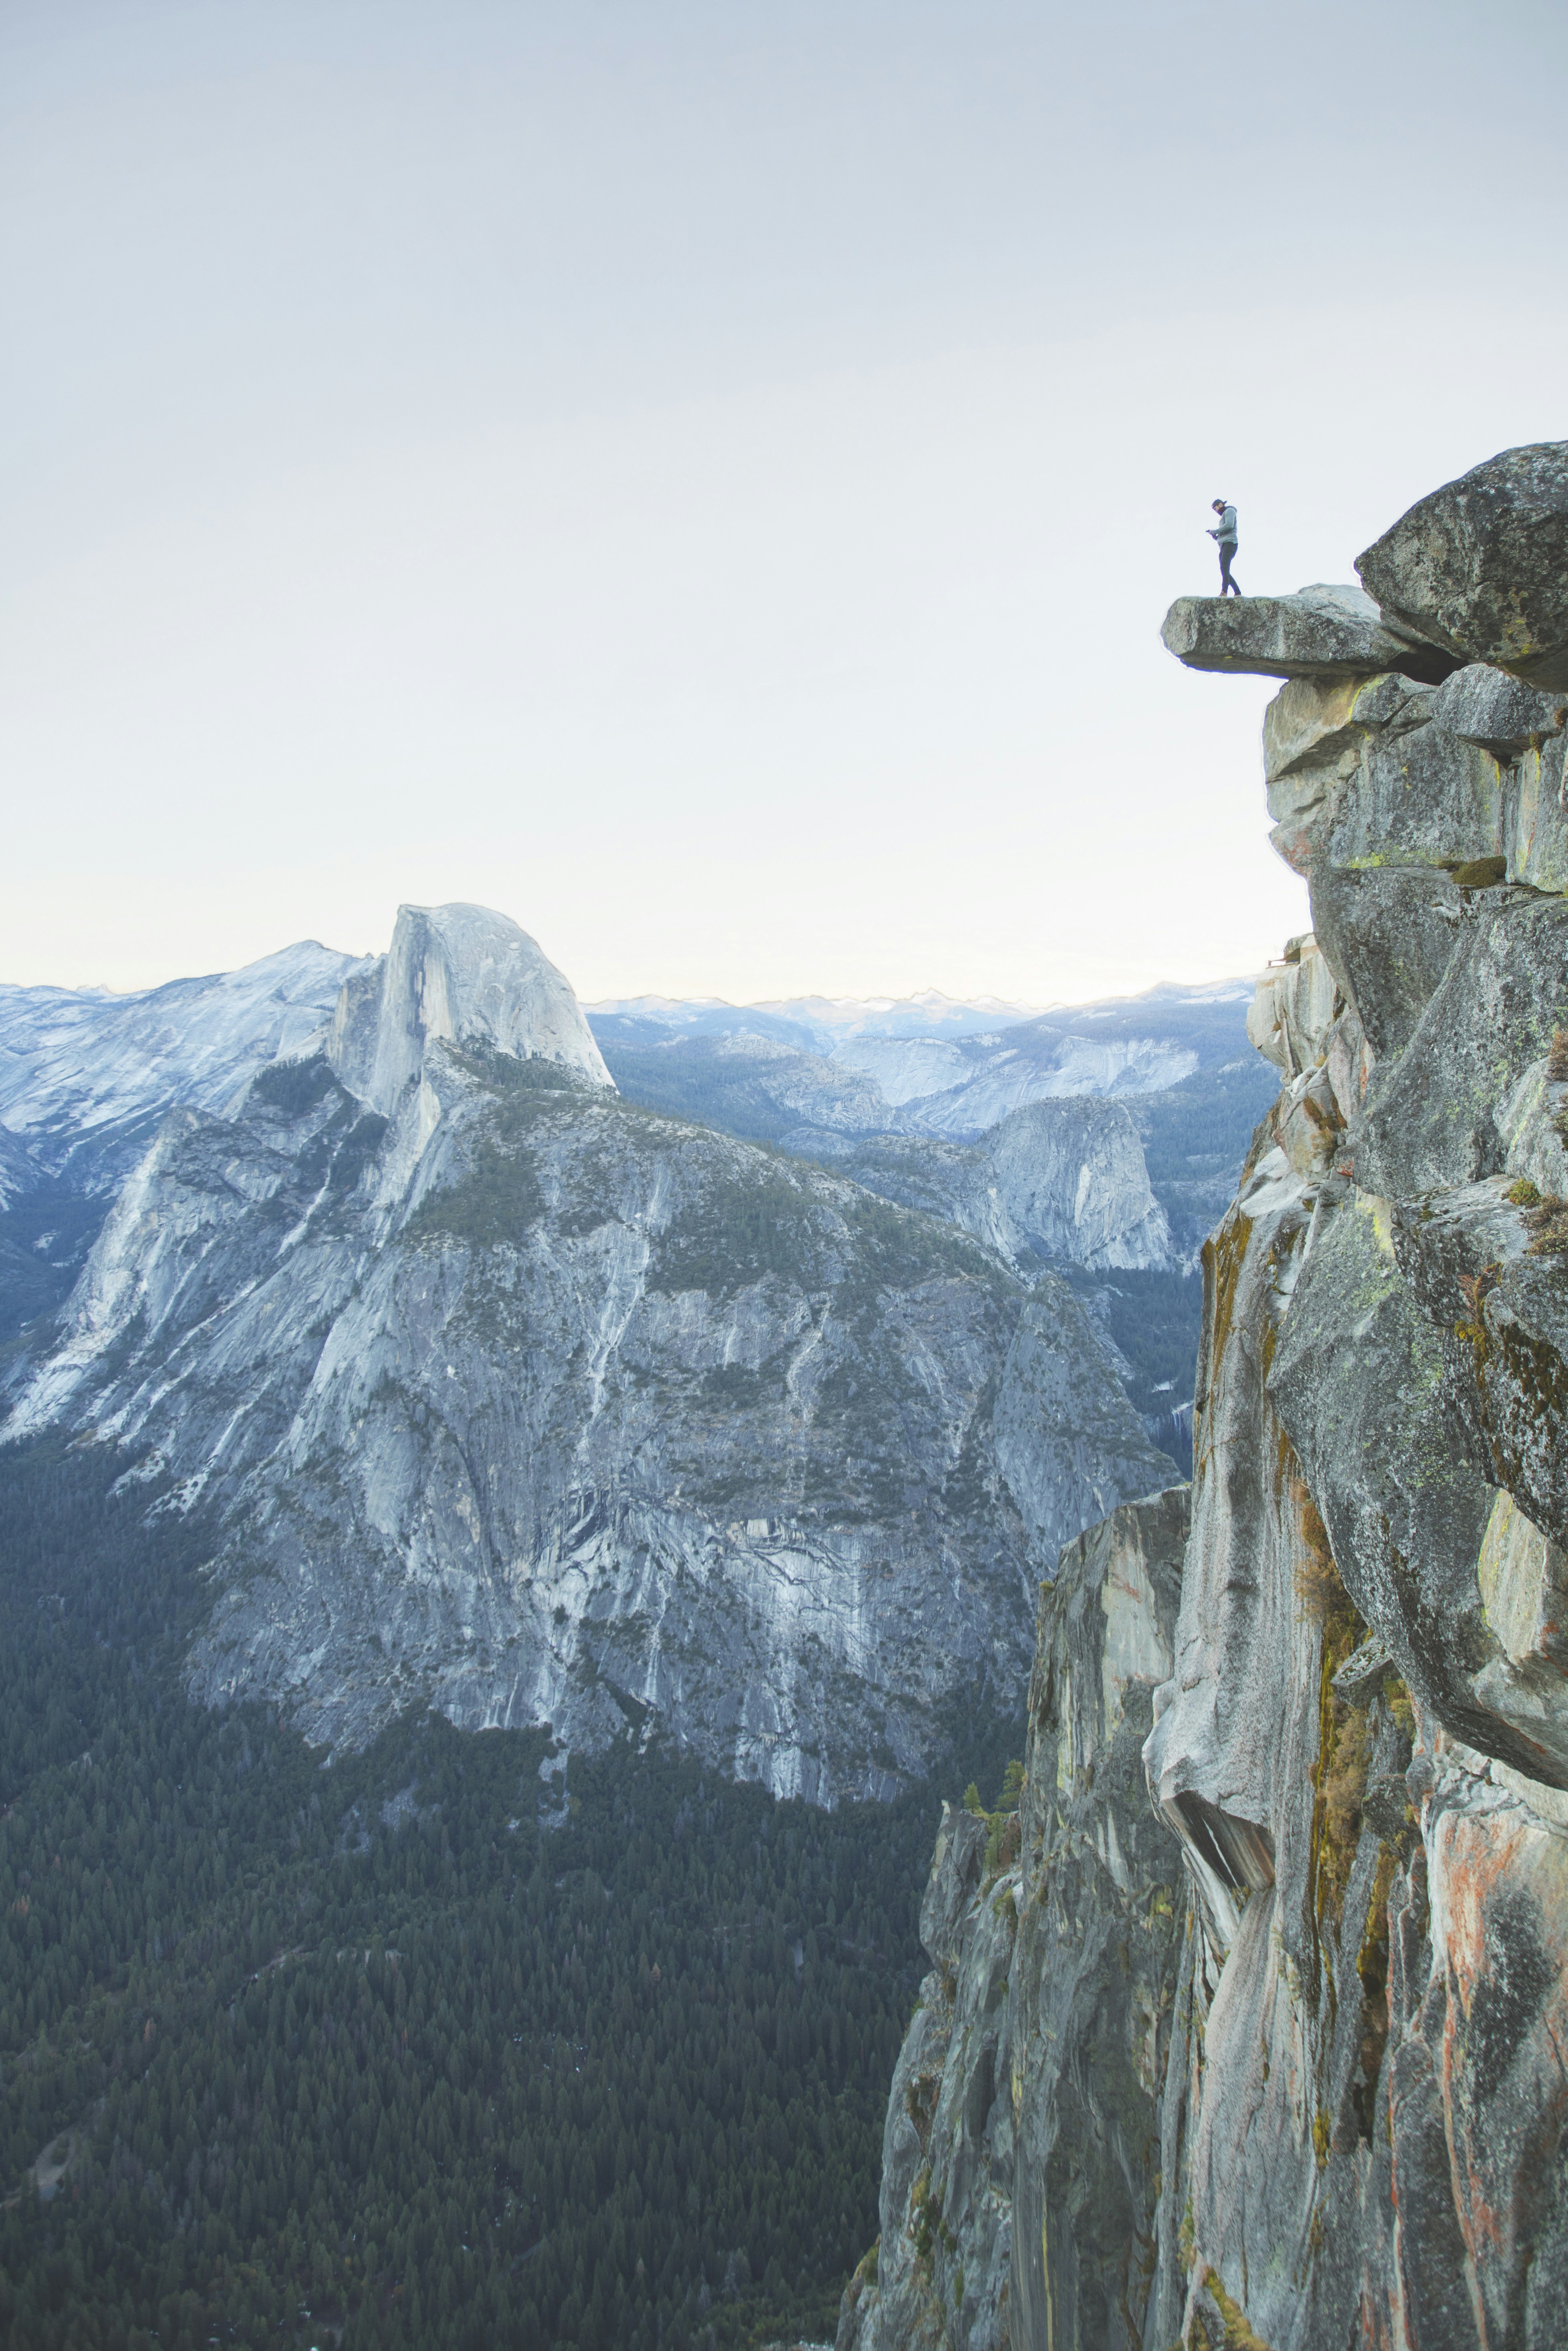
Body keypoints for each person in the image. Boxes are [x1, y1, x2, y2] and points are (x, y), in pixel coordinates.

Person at [1207, 499, 1241, 595]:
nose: (1216, 511)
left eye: (1216, 508)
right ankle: (1238, 593)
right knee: (1224, 569)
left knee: (1225, 567)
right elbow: (1222, 535)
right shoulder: (1224, 515)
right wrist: (1215, 536)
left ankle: (1224, 592)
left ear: (1221, 504)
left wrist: (1216, 531)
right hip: (1224, 545)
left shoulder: (1230, 511)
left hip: (1230, 543)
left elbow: (1229, 526)